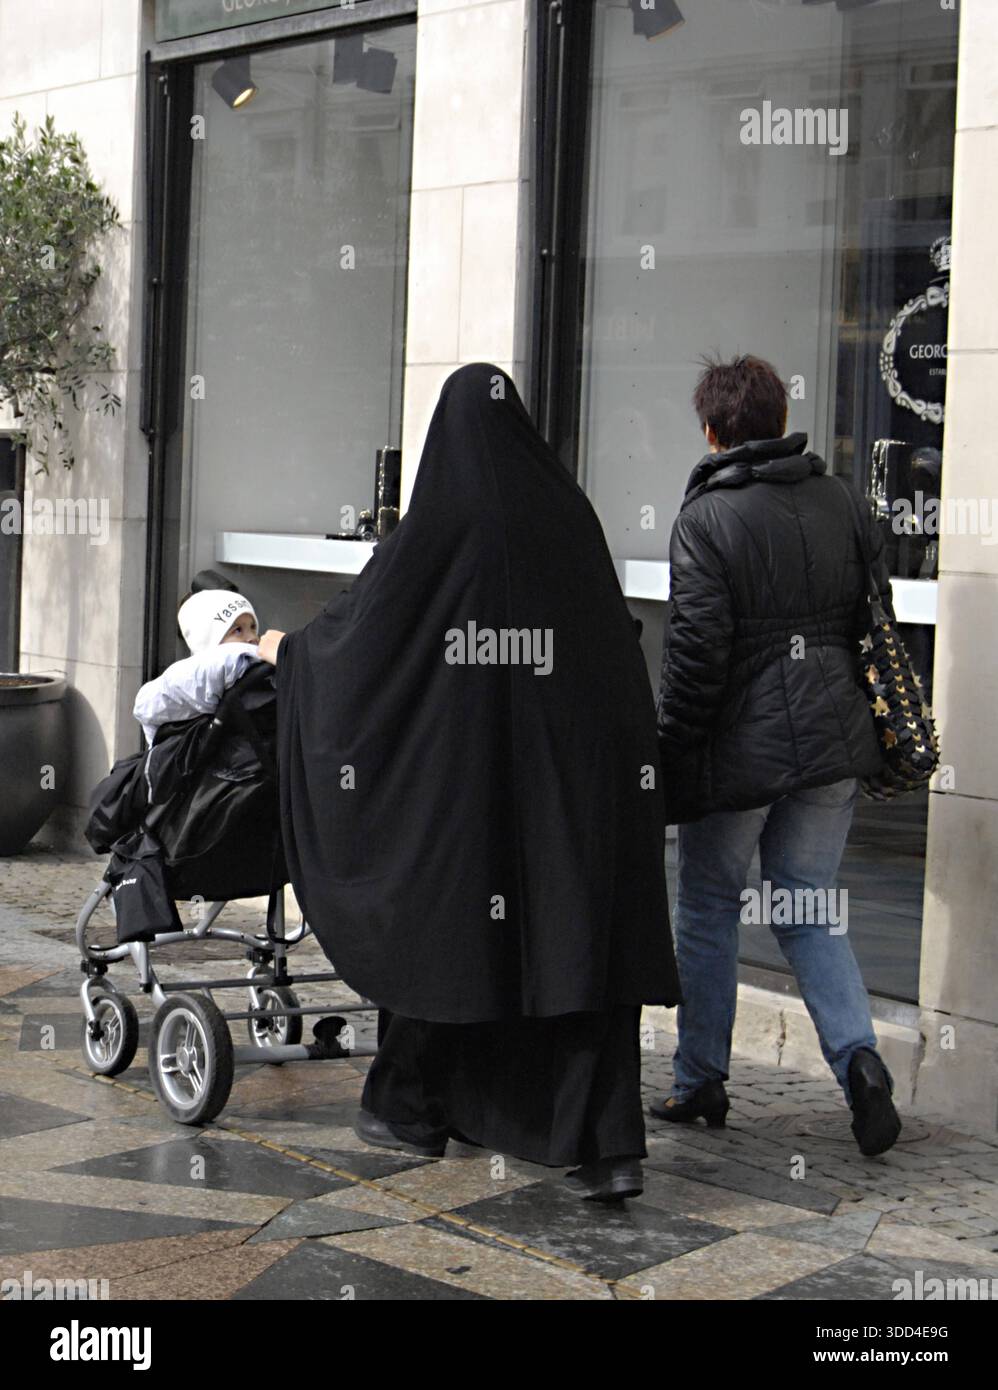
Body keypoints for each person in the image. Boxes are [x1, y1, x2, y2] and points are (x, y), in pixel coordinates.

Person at [258, 362, 680, 1201]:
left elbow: (365, 639)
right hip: (579, 789)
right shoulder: (569, 515)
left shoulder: (443, 525)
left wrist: (288, 655)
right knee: (569, 946)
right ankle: (602, 1146)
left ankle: (412, 1107)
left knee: (448, 928)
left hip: (469, 791)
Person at [651, 353, 902, 1157]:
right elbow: (875, 617)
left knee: (708, 904)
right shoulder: (838, 499)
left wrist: (670, 754)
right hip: (835, 742)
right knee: (806, 902)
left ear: (714, 430)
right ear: (780, 416)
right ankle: (861, 1058)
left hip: (741, 756)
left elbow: (696, 657)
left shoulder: (707, 517)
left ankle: (701, 1080)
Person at [132, 589, 261, 746]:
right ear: (209, 642)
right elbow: (146, 705)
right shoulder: (200, 674)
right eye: (238, 630)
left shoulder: (253, 670)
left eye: (253, 627)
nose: (252, 638)